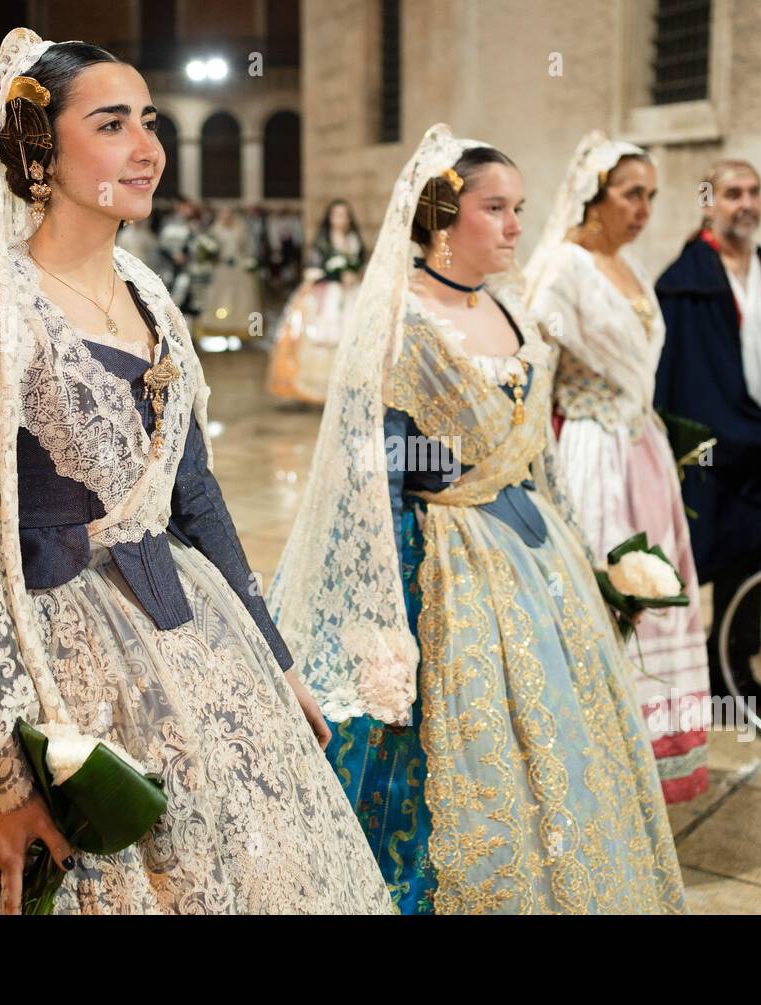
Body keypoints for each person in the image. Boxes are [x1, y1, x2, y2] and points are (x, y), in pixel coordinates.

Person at [0, 28, 393, 916]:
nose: (147, 148)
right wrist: (7, 772)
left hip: (186, 620)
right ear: (41, 152)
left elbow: (194, 493)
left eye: (151, 121)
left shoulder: (150, 292)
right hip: (45, 649)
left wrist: (274, 656)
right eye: (112, 124)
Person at [267, 124, 686, 915]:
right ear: (439, 218)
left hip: (533, 552)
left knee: (563, 746)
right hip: (442, 563)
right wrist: (383, 624)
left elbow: (538, 457)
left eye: (519, 207)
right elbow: (370, 468)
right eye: (496, 208)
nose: (516, 226)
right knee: (444, 770)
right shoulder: (402, 319)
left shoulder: (510, 308)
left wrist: (588, 561)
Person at [525, 132, 709, 803]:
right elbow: (535, 375)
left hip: (643, 451)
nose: (644, 209)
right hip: (592, 452)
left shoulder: (629, 265)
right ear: (593, 195)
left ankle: (651, 760)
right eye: (632, 194)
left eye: (652, 196)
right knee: (605, 592)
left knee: (655, 596)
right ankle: (599, 763)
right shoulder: (563, 268)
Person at [654, 158, 761, 706]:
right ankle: (683, 674)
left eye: (753, 191)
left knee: (748, 558)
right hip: (711, 442)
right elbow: (680, 371)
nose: (746, 203)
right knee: (703, 555)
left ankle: (734, 671)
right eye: (732, 193)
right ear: (708, 203)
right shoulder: (686, 281)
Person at [267, 198, 366, 404]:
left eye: (345, 215)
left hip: (350, 294)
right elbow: (312, 269)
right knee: (321, 336)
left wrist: (352, 274)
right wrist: (334, 274)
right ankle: (317, 387)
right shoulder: (322, 243)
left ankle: (346, 386)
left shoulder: (354, 240)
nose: (341, 219)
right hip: (326, 293)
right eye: (337, 214)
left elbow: (360, 263)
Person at [197, 204, 260, 340]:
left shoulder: (240, 228)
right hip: (222, 266)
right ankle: (219, 323)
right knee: (221, 293)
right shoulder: (215, 229)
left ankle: (241, 322)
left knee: (240, 293)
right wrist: (212, 256)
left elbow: (247, 246)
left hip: (238, 265)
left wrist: (248, 261)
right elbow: (209, 246)